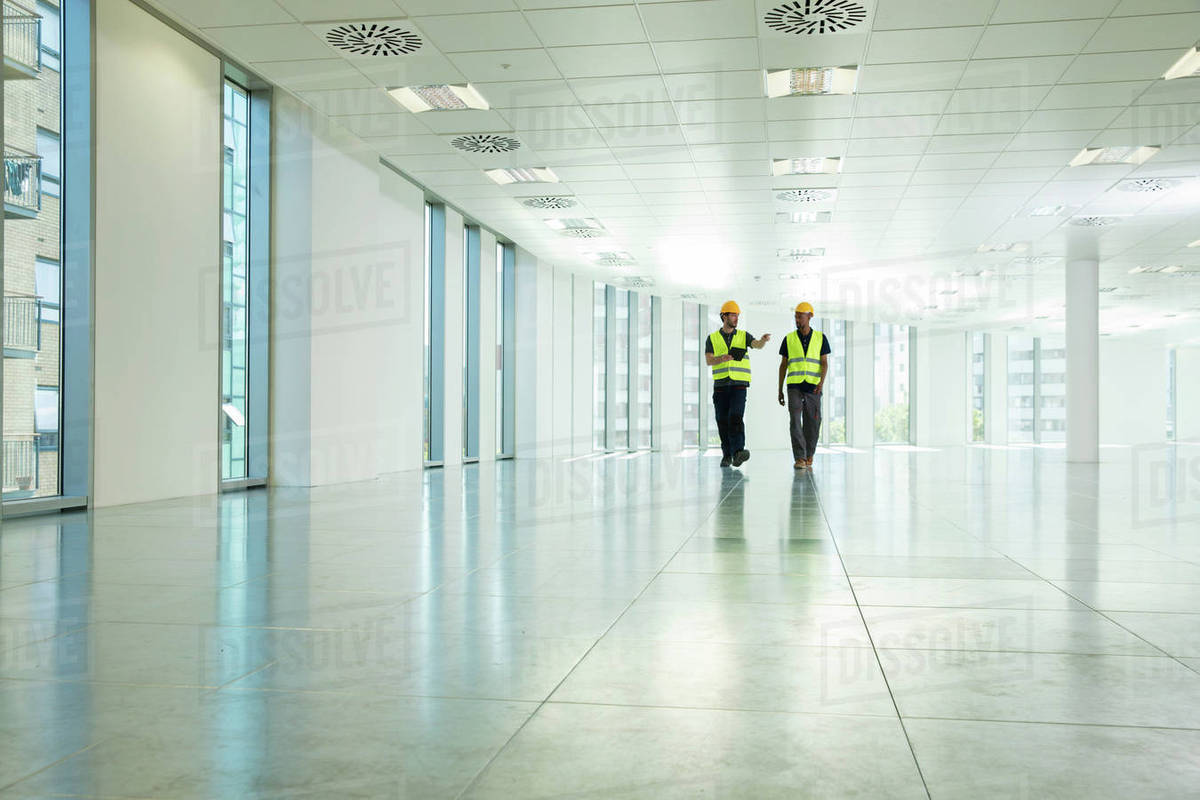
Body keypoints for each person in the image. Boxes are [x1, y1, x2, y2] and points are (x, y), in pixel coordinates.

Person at [705, 301, 771, 468]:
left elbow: (756, 344)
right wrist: (722, 358)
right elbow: (708, 360)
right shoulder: (712, 338)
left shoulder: (743, 335)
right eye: (733, 315)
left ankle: (738, 452)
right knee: (722, 420)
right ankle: (727, 455)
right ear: (724, 316)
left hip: (739, 385)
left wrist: (762, 341)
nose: (736, 318)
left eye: (737, 315)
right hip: (720, 385)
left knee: (735, 417)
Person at [776, 302, 830, 470]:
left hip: (813, 386)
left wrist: (821, 383)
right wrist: (779, 389)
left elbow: (824, 363)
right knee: (795, 421)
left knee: (813, 422)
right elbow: (783, 365)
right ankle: (800, 457)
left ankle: (809, 454)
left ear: (810, 316)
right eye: (796, 316)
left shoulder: (821, 338)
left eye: (800, 316)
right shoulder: (789, 339)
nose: (797, 319)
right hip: (794, 386)